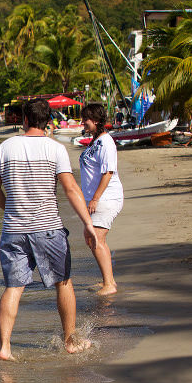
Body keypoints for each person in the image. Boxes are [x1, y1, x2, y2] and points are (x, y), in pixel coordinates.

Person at [0, 98, 97, 361]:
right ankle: (70, 342)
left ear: (24, 119)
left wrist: (11, 210)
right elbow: (71, 189)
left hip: (13, 230)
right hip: (48, 228)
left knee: (13, 287)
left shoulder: (5, 147)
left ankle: (5, 348)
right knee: (63, 283)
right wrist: (88, 223)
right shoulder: (55, 149)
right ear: (48, 121)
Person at [80, 104, 123, 296]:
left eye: (85, 120)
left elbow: (108, 172)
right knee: (91, 238)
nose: (83, 123)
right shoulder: (94, 141)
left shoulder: (106, 142)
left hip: (106, 197)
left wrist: (95, 198)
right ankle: (108, 279)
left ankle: (109, 284)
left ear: (95, 120)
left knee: (97, 238)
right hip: (94, 198)